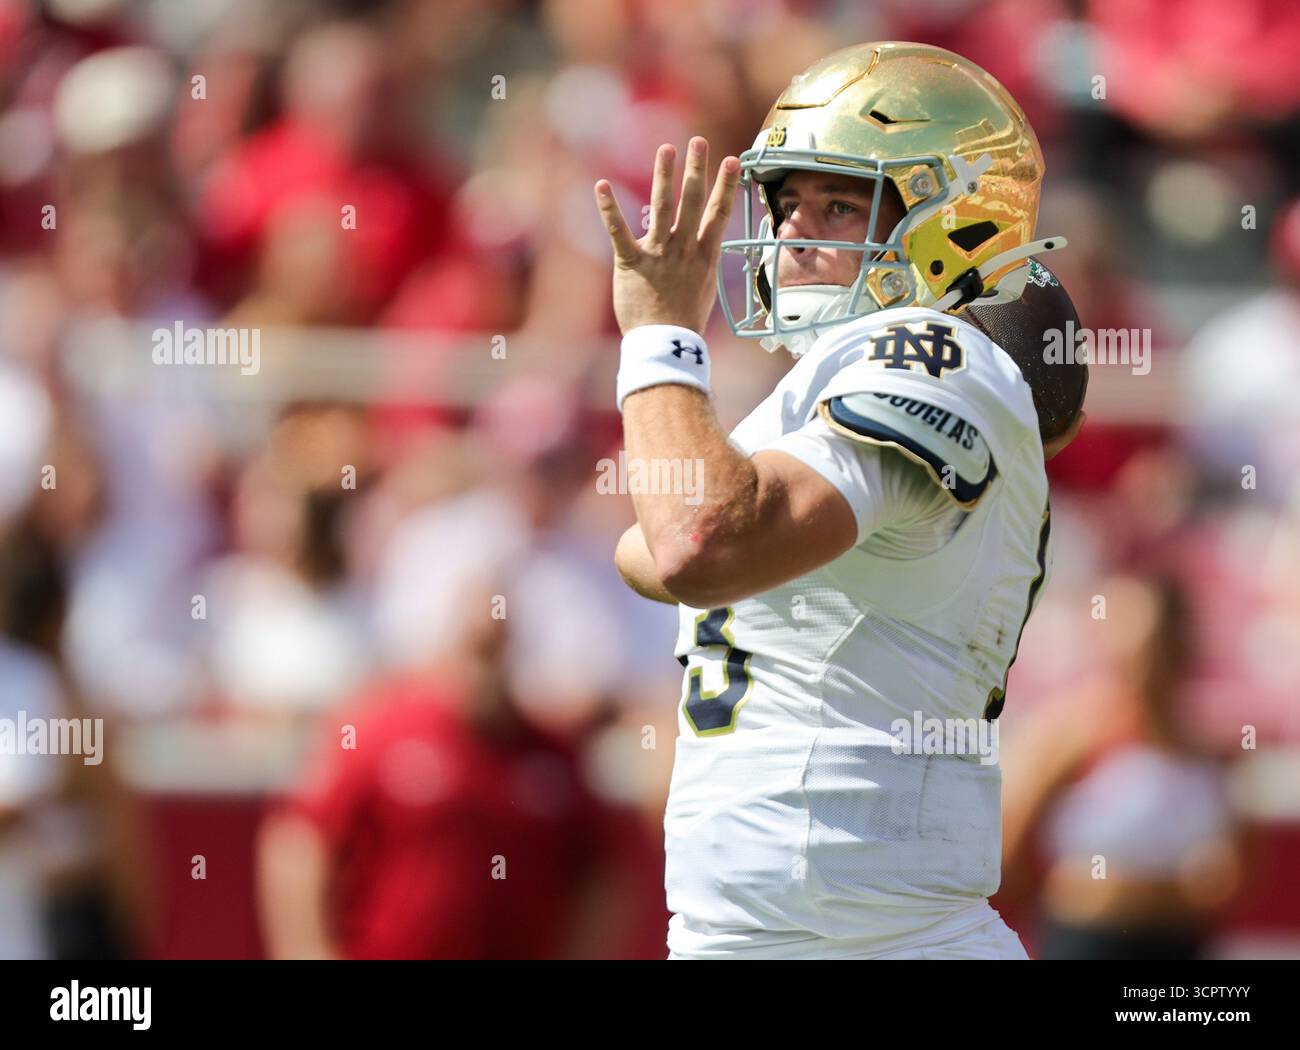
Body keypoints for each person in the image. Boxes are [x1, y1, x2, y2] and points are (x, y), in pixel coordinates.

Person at [592, 41, 1085, 959]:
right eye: (786, 203)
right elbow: (666, 545)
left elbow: (691, 543)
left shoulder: (941, 356)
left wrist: (659, 337)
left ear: (953, 213)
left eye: (840, 202)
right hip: (740, 935)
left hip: (882, 940)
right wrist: (684, 534)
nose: (791, 232)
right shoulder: (820, 385)